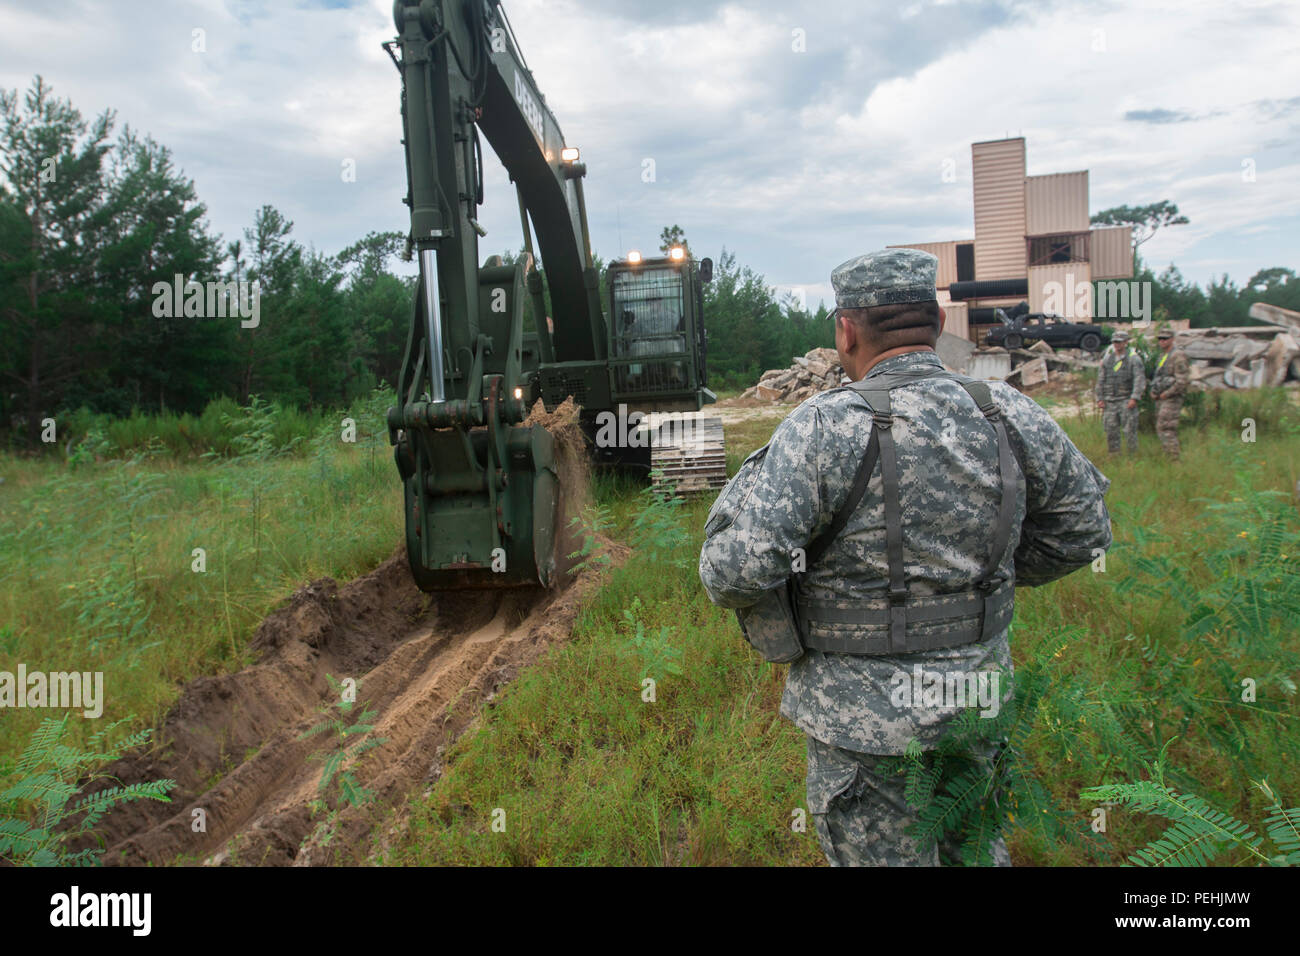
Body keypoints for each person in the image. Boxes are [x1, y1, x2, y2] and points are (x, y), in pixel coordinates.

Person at [698, 249, 1112, 866]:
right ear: (938, 318)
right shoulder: (1007, 410)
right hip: (977, 700)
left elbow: (734, 574)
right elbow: (1083, 531)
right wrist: (982, 581)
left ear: (846, 330)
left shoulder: (822, 428)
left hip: (865, 722)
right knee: (973, 852)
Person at [1095, 330, 1146, 455]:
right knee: (1111, 430)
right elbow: (1101, 379)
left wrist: (1134, 398)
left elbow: (1139, 380)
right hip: (1110, 401)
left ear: (1126, 342)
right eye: (1115, 342)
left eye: (1119, 342)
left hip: (1126, 400)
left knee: (1129, 431)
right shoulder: (1108, 359)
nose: (1117, 344)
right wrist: (1099, 398)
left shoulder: (1134, 359)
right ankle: (1114, 455)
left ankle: (1132, 455)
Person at [1150, 328, 1190, 460]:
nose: (1162, 341)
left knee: (1166, 427)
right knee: (1161, 427)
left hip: (1172, 398)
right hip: (1161, 397)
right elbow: (1159, 376)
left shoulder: (1178, 355)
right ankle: (1168, 454)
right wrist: (1154, 391)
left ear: (1172, 339)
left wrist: (1167, 394)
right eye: (1160, 339)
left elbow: (1182, 381)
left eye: (1165, 339)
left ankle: (1174, 458)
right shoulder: (1163, 356)